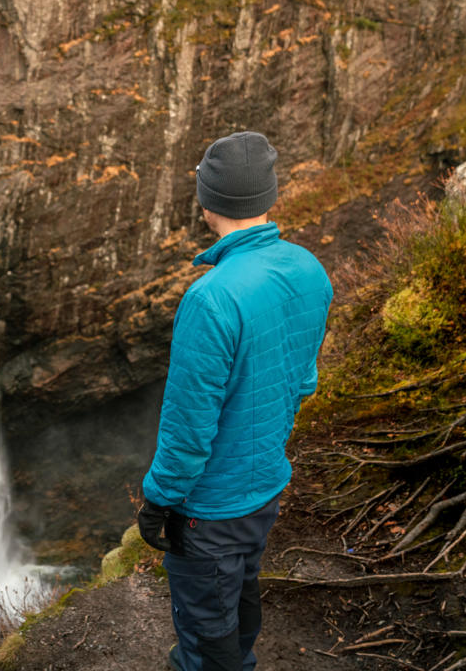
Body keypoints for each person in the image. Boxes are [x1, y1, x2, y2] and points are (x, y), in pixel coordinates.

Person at [137, 131, 332, 671]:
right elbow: (303, 382)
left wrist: (159, 502)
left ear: (207, 203)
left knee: (206, 638)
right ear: (268, 197)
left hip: (210, 509)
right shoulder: (309, 269)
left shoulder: (211, 298)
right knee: (241, 591)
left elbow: (189, 426)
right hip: (266, 485)